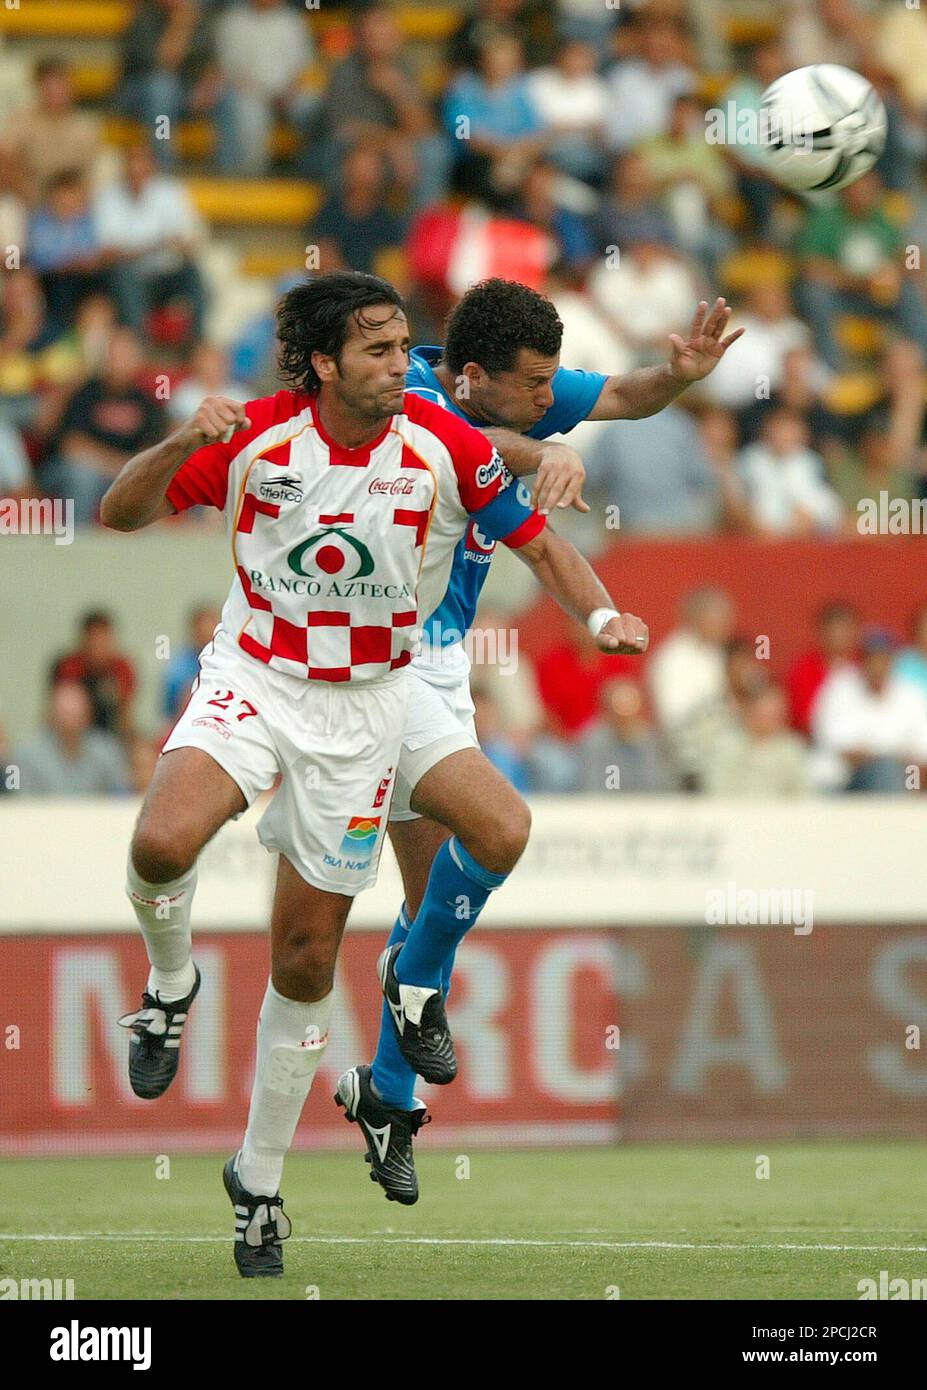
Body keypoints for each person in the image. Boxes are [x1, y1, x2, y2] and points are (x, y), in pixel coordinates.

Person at [100, 270, 631, 1277]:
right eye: (381, 351)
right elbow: (122, 511)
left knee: (305, 959)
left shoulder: (446, 445)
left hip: (369, 710)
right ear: (323, 363)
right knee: (162, 840)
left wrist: (602, 618)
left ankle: (258, 1184)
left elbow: (538, 545)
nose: (403, 366)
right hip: (255, 677)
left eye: (403, 347)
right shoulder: (257, 436)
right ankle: (170, 987)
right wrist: (180, 442)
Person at [336, 276, 743, 1203]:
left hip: (435, 667)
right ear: (474, 374)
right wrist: (536, 452)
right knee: (489, 839)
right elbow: (466, 441)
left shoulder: (517, 390)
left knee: (426, 896)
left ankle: (386, 1093)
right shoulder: (407, 397)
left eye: (552, 384)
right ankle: (393, 999)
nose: (548, 397)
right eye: (533, 386)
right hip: (357, 663)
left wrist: (676, 377)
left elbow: (629, 398)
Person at [812, 627, 927, 792]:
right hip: (843, 782)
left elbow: (921, 752)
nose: (877, 664)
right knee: (884, 769)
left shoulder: (911, 694)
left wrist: (884, 756)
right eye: (872, 657)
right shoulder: (839, 687)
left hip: (902, 780)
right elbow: (837, 746)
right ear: (862, 660)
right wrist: (889, 756)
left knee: (898, 774)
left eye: (883, 658)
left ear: (892, 661)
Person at [15, 681, 129, 796]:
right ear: (51, 716)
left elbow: (120, 796)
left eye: (75, 715)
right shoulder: (26, 755)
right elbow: (19, 802)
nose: (70, 723)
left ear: (88, 716)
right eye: (64, 715)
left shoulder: (108, 751)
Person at [51, 610, 137, 740]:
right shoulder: (68, 668)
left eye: (103, 640)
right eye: (94, 640)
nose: (98, 647)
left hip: (112, 736)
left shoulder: (121, 669)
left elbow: (126, 715)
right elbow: (58, 711)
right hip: (74, 736)